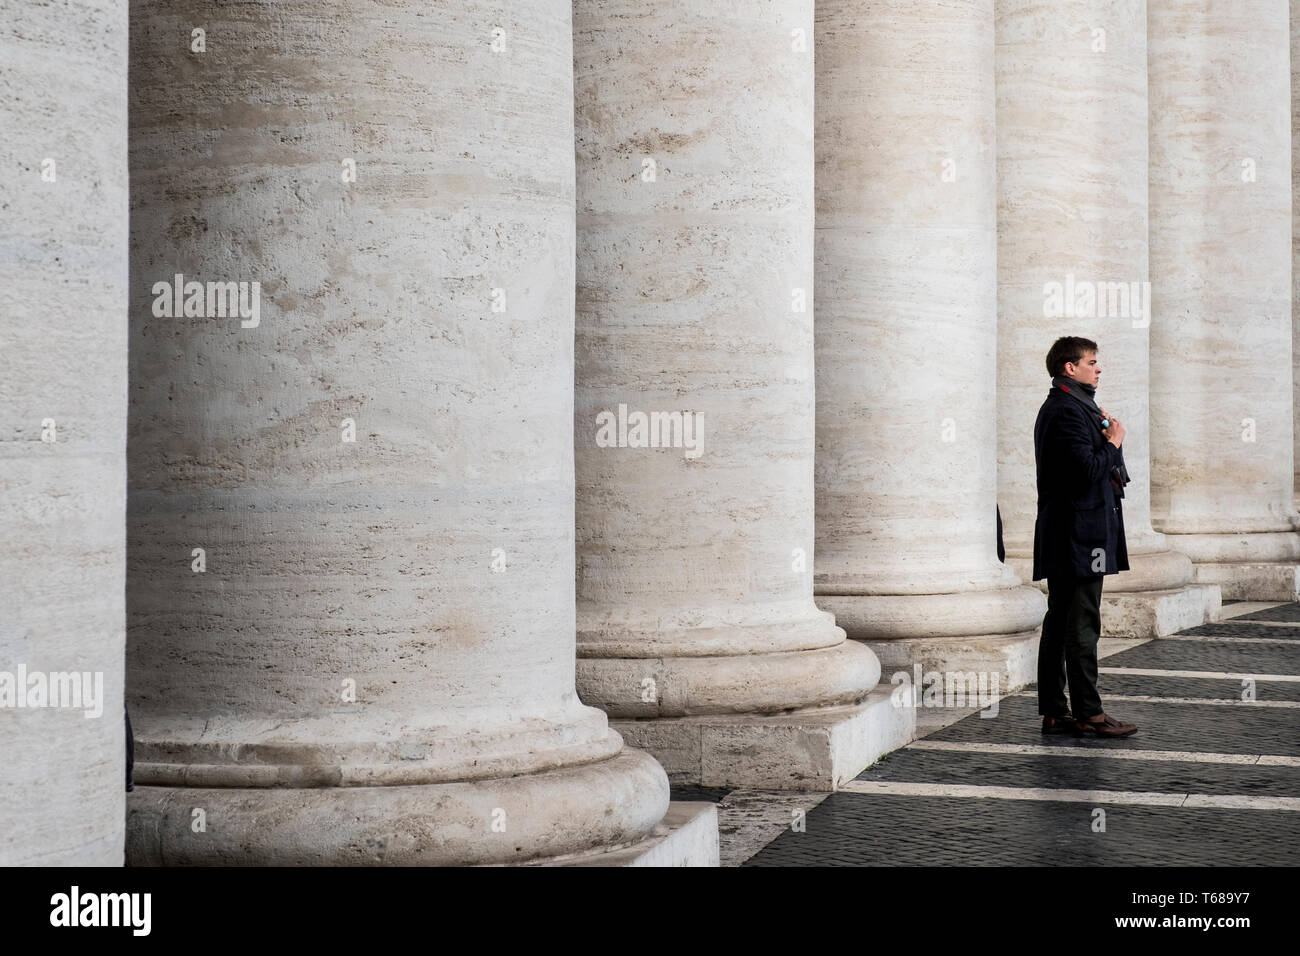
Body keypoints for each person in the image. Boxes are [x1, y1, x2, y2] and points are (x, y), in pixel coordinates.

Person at [1032, 336, 1137, 738]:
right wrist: (1113, 440)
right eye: (1091, 362)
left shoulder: (1075, 405)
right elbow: (1086, 470)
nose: (1099, 368)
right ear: (1068, 368)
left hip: (1072, 533)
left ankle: (1057, 711)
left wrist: (1105, 431)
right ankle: (1089, 713)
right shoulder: (1066, 410)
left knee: (1061, 621)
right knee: (1081, 622)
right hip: (1079, 536)